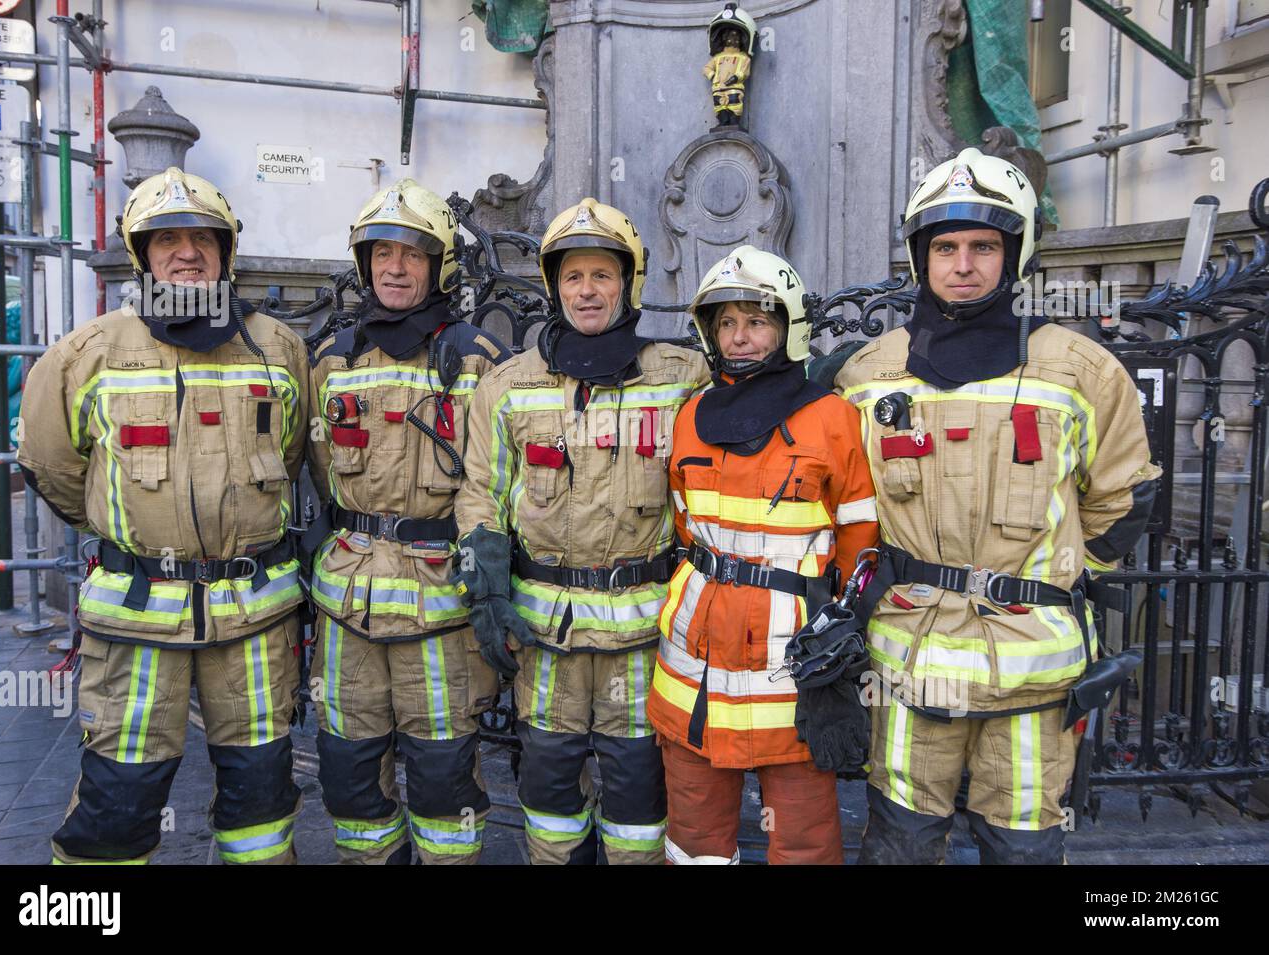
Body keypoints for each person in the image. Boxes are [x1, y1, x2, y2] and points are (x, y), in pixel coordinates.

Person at [833, 147, 1160, 864]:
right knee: (901, 844)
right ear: (921, 257)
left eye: (985, 245)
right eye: (944, 246)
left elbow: (1125, 498)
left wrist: (1053, 579)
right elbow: (842, 499)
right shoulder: (868, 373)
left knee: (1023, 849)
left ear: (1016, 253)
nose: (963, 264)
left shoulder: (1081, 369)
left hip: (1032, 679)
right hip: (907, 666)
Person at [18, 168, 309, 864]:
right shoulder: (85, 356)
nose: (186, 251)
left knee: (262, 797)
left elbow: (295, 456)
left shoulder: (278, 348)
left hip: (255, 622)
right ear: (141, 253)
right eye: (166, 239)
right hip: (136, 624)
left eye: (201, 238)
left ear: (226, 250)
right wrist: (132, 539)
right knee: (118, 801)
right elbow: (52, 466)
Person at [455, 198, 709, 864]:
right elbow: (482, 491)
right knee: (550, 793)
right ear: (553, 286)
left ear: (629, 284)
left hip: (644, 636)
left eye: (602, 275)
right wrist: (485, 584)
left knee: (636, 800)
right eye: (573, 277)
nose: (588, 290)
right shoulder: (510, 386)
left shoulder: (679, 379)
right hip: (544, 634)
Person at [647, 246, 879, 864]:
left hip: (795, 661)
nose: (741, 337)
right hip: (693, 657)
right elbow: (682, 524)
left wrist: (847, 624)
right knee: (694, 835)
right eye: (726, 322)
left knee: (802, 839)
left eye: (757, 320)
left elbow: (861, 541)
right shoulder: (691, 415)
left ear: (788, 327)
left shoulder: (832, 419)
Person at [305, 179, 511, 864]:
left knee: (444, 777)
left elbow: (498, 482)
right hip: (346, 613)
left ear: (440, 265)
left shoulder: (478, 359)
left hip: (441, 618)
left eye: (413, 254)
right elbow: (309, 465)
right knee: (351, 775)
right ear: (364, 266)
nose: (395, 267)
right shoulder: (332, 360)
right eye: (382, 253)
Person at [703, 3, 756, 125]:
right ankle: (723, 122)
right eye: (729, 35)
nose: (732, 38)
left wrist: (736, 77)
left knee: (734, 107)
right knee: (720, 109)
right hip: (718, 89)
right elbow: (706, 68)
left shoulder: (743, 58)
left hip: (734, 88)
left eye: (735, 35)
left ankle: (733, 123)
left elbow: (744, 71)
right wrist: (713, 76)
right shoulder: (718, 58)